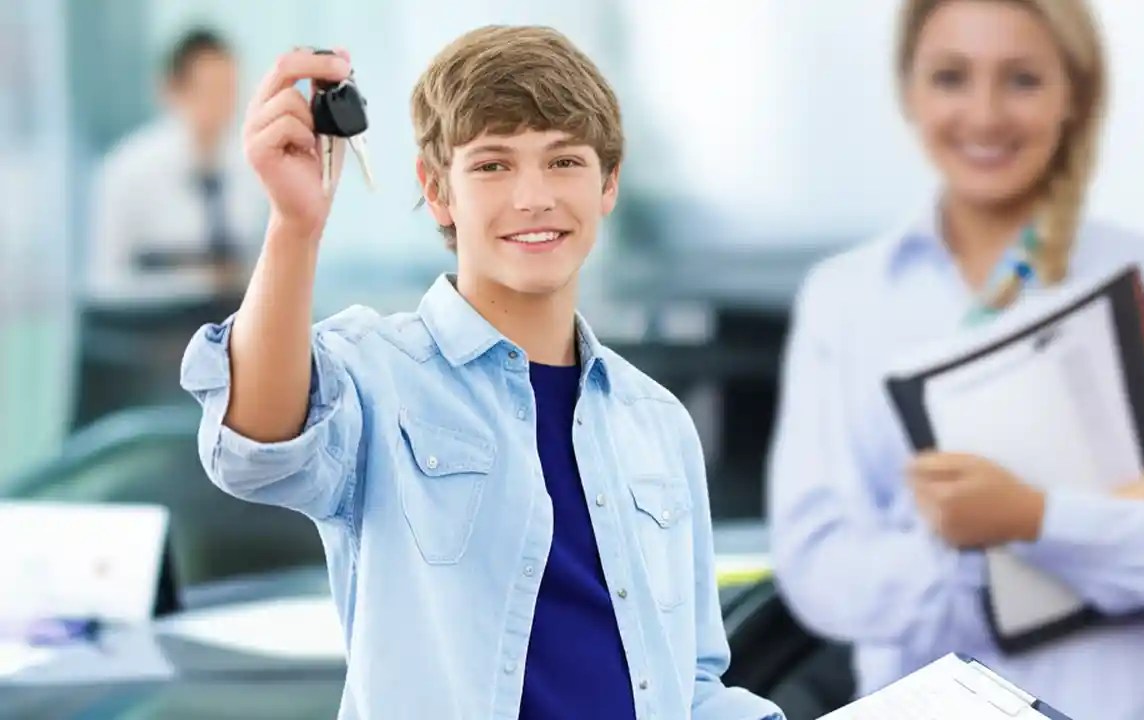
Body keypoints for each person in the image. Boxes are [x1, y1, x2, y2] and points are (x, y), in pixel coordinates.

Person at [179, 26, 782, 720]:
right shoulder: (379, 373)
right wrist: (295, 224)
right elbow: (257, 451)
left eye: (563, 163)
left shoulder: (658, 423)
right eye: (493, 165)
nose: (533, 197)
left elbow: (692, 686)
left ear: (608, 183)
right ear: (437, 192)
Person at [766, 2, 1144, 719]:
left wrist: (1036, 519)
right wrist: (979, 550)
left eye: (1022, 80)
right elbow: (820, 572)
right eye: (951, 78)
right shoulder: (845, 300)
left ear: (1075, 94)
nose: (984, 115)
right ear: (909, 92)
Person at [86, 28, 263, 304]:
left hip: (234, 325)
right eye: (209, 90)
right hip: (153, 330)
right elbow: (106, 283)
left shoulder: (252, 167)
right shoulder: (128, 170)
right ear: (172, 90)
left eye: (229, 89)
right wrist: (199, 282)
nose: (223, 104)